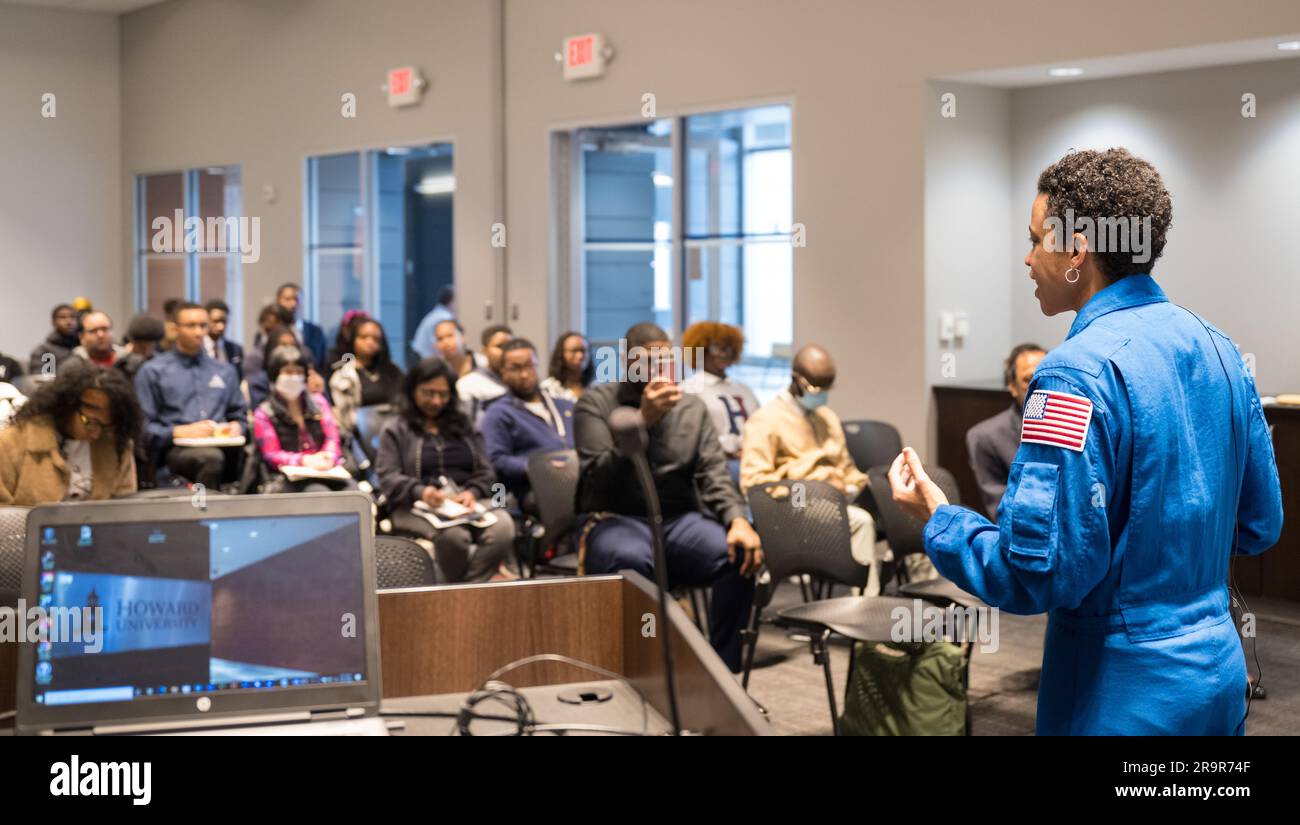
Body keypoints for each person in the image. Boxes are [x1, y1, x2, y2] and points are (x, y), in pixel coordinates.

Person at [887, 148, 1283, 735]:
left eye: (1034, 240)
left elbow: (1038, 574)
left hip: (1121, 692)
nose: (1027, 259)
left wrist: (938, 518)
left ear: (1076, 251)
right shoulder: (1222, 350)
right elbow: (1258, 524)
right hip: (1216, 678)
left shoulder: (1072, 375)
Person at [574, 322, 763, 671]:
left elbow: (713, 474)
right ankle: (645, 672)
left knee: (737, 553)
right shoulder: (595, 403)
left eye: (665, 361)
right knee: (632, 558)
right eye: (646, 362)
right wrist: (642, 419)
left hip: (677, 519)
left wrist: (738, 519)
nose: (657, 370)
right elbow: (597, 481)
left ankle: (722, 675)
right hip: (614, 517)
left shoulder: (691, 408)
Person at [740, 344, 909, 595]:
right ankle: (867, 613)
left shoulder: (825, 417)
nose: (822, 396)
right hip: (796, 506)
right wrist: (818, 487)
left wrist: (866, 485)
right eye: (816, 390)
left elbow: (847, 467)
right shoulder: (765, 421)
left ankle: (932, 606)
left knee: (907, 508)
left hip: (842, 499)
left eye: (826, 390)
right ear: (796, 380)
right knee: (861, 522)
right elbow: (754, 484)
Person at [376, 358, 516, 583]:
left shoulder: (465, 425)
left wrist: (472, 492)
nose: (436, 401)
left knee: (503, 527)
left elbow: (486, 471)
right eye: (428, 393)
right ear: (412, 391)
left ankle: (465, 591)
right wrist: (421, 491)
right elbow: (387, 477)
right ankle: (461, 593)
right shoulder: (396, 428)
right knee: (454, 537)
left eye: (443, 394)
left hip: (463, 502)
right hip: (413, 504)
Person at [135, 302, 247, 490]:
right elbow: (143, 428)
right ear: (174, 328)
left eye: (203, 325)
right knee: (210, 458)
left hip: (225, 449)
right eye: (191, 326)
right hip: (173, 451)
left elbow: (239, 415)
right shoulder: (153, 371)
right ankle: (201, 510)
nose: (198, 332)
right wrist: (177, 431)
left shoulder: (224, 371)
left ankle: (215, 508)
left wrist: (237, 426)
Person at [0, 361, 140, 505]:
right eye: (90, 423)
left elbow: (125, 509)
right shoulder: (11, 443)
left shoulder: (117, 444)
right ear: (66, 406)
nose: (96, 434)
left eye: (105, 426)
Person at [480, 339, 575, 507]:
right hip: (531, 488)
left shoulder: (564, 406)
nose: (524, 374)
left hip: (575, 477)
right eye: (515, 368)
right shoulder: (499, 413)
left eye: (530, 366)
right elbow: (497, 460)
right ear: (502, 372)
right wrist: (540, 468)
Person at [252, 345, 354, 493]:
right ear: (275, 374)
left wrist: (328, 455)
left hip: (325, 470)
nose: (294, 377)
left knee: (354, 492)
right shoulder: (264, 413)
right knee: (319, 493)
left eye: (299, 372)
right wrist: (304, 460)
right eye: (288, 372)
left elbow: (332, 436)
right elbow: (271, 454)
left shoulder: (319, 402)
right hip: (288, 477)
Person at [966, 343, 1046, 519]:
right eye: (1028, 380)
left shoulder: (1069, 426)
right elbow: (1001, 509)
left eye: (1044, 378)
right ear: (1012, 385)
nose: (1038, 387)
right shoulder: (985, 437)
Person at [679, 322, 759, 462]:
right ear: (701, 350)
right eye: (717, 348)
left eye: (729, 348)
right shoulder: (688, 389)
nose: (724, 354)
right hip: (714, 464)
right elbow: (688, 438)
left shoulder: (744, 389)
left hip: (753, 461)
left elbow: (761, 426)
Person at [328, 317, 403, 442]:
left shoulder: (393, 370)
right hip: (359, 438)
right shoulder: (343, 375)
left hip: (394, 433)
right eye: (364, 337)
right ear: (353, 340)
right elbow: (343, 417)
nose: (370, 342)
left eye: (375, 339)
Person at [248, 325, 323, 409]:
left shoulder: (305, 376)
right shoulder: (260, 382)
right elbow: (260, 412)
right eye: (283, 345)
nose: (288, 349)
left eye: (292, 345)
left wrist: (317, 392)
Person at [457, 323, 512, 423]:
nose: (505, 352)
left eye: (509, 347)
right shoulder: (468, 384)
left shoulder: (520, 383)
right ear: (485, 351)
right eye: (500, 346)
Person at [275, 283, 327, 366]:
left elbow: (319, 360)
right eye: (288, 299)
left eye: (297, 299)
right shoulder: (272, 330)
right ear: (278, 301)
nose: (293, 304)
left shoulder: (315, 331)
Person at [541, 330, 594, 402]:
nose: (580, 355)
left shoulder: (595, 388)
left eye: (584, 351)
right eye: (574, 351)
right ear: (561, 354)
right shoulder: (547, 388)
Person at [28, 304, 80, 375]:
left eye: (72, 317)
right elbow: (42, 381)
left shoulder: (85, 347)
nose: (68, 321)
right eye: (62, 317)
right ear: (53, 322)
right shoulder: (44, 351)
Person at [244, 303, 292, 378]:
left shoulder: (300, 354)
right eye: (270, 330)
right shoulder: (255, 358)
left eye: (281, 330)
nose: (275, 335)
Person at [115, 313, 166, 384]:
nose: (147, 352)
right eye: (142, 347)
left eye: (151, 347)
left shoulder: (162, 364)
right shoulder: (122, 365)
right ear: (131, 342)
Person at [410, 286, 457, 359]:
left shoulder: (437, 314)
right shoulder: (444, 317)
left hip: (418, 355)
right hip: (422, 358)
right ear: (451, 302)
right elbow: (437, 345)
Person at [203, 299, 245, 381]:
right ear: (206, 320)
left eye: (224, 321)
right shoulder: (197, 348)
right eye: (216, 321)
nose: (220, 327)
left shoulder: (235, 349)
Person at [324, 309, 370, 378]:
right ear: (345, 331)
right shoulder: (335, 358)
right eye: (363, 336)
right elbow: (331, 369)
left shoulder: (376, 360)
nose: (369, 341)